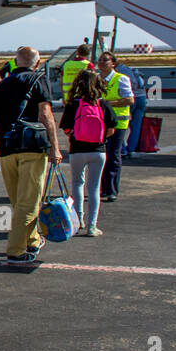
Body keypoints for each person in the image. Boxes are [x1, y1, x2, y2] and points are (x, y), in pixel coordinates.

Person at [0, 46, 62, 263]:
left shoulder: (2, 85)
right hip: (32, 147)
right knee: (29, 202)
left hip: (8, 149)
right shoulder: (39, 80)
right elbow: (45, 115)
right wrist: (54, 147)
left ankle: (33, 240)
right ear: (37, 63)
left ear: (15, 62)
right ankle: (16, 250)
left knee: (19, 202)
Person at [59, 69, 116, 237]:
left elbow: (66, 128)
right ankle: (92, 226)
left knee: (77, 183)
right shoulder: (102, 103)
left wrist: (76, 136)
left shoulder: (73, 104)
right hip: (98, 150)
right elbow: (111, 130)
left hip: (77, 150)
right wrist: (98, 137)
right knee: (94, 188)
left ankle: (78, 220)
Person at [96, 51, 133, 202]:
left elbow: (129, 100)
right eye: (100, 60)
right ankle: (103, 188)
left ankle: (111, 189)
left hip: (117, 123)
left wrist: (108, 104)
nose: (101, 63)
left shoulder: (121, 79)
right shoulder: (96, 79)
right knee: (101, 156)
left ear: (113, 63)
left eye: (105, 60)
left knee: (113, 155)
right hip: (100, 123)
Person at [115, 58, 148, 158]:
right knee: (135, 126)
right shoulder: (131, 70)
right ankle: (131, 149)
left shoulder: (118, 72)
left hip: (131, 98)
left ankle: (122, 149)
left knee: (121, 124)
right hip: (141, 97)